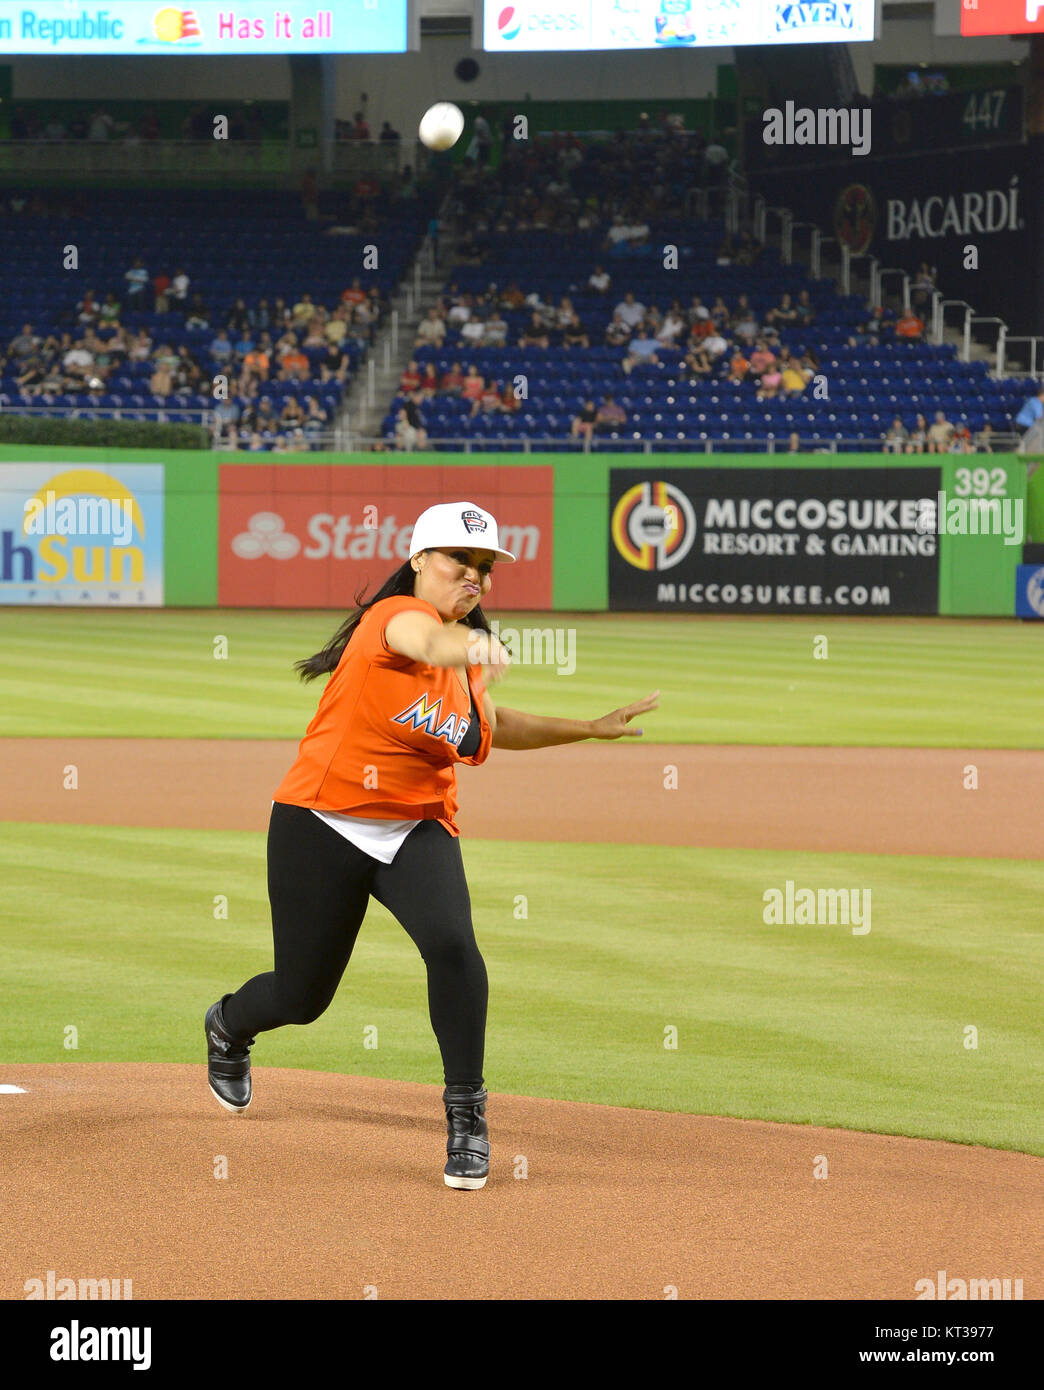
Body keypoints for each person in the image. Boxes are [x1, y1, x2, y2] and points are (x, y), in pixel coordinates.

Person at [204, 502, 659, 1189]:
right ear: (419, 560)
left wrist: (589, 727)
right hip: (320, 820)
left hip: (416, 823)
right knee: (302, 996)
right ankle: (228, 1025)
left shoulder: (464, 651)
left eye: (484, 567)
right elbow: (428, 641)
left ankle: (466, 1117)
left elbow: (491, 723)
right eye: (459, 561)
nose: (473, 576)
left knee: (453, 945)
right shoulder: (394, 621)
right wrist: (472, 644)